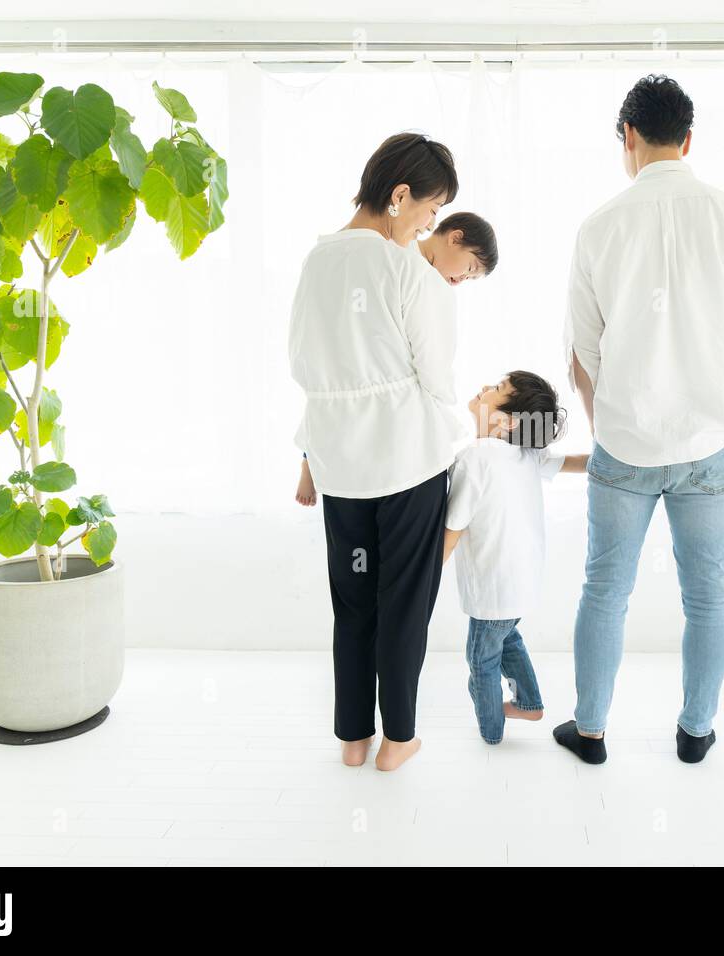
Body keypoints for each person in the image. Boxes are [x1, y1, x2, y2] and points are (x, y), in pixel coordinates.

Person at [554, 74, 724, 766]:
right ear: (688, 139)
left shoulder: (599, 227)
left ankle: (589, 731)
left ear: (629, 137)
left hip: (623, 444)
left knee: (604, 589)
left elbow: (580, 357)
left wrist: (607, 426)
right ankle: (696, 731)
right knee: (709, 593)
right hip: (708, 439)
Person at [287, 132, 464, 772]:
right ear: (399, 196)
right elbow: (438, 379)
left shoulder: (316, 261)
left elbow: (303, 367)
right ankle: (400, 739)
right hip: (408, 464)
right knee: (404, 605)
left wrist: (311, 449)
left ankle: (353, 740)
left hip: (341, 468)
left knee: (355, 603)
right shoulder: (405, 270)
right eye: (430, 211)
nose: (428, 227)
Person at [296, 211, 499, 508]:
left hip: (364, 409)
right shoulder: (399, 258)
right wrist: (444, 394)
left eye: (469, 278)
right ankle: (308, 457)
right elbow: (434, 369)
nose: (461, 279)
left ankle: (309, 456)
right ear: (455, 237)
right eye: (468, 268)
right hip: (369, 405)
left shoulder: (407, 266)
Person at [441, 372, 588, 745]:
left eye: (496, 389)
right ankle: (530, 703)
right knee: (507, 639)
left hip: (492, 588)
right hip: (521, 584)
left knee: (481, 660)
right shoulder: (524, 455)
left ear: (508, 421)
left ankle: (491, 731)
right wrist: (608, 461)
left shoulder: (476, 456)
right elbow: (568, 462)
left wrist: (421, 579)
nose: (483, 387)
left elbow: (454, 527)